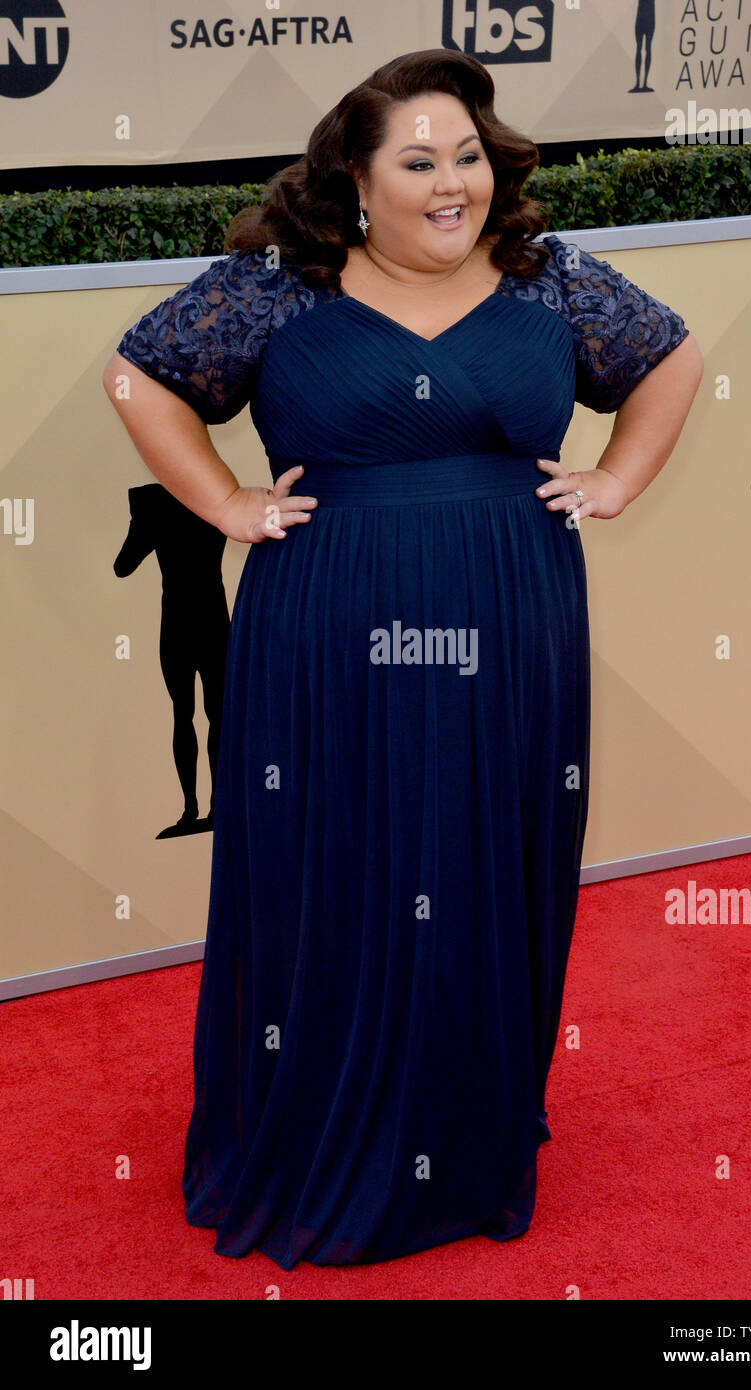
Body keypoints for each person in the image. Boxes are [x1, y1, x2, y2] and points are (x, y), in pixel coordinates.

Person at [103, 48, 703, 1270]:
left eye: (468, 157)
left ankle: (465, 1133)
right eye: (418, 162)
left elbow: (672, 357)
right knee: (335, 866)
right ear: (355, 183)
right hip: (326, 624)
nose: (453, 185)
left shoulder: (547, 277)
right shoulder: (279, 284)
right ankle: (315, 1133)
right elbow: (141, 376)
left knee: (484, 859)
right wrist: (224, 503)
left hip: (509, 612)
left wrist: (616, 478)